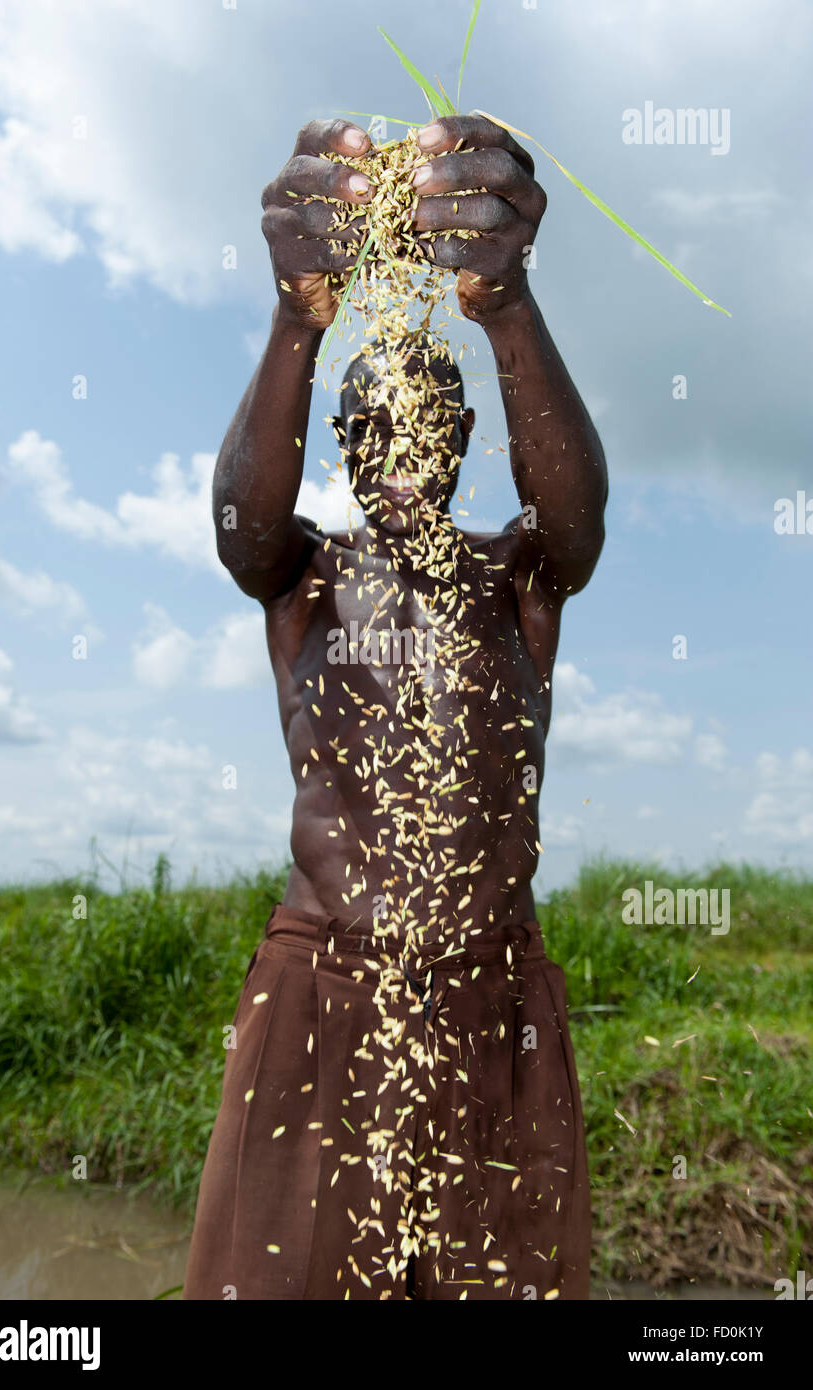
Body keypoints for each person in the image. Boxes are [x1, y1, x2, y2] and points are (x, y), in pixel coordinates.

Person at [182, 114, 608, 1301]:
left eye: (421, 421)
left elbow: (578, 519)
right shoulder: (305, 581)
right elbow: (238, 526)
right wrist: (296, 314)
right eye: (366, 429)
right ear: (345, 447)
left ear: (463, 436)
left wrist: (504, 303)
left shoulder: (517, 581)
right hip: (327, 988)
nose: (396, 446)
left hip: (489, 990)